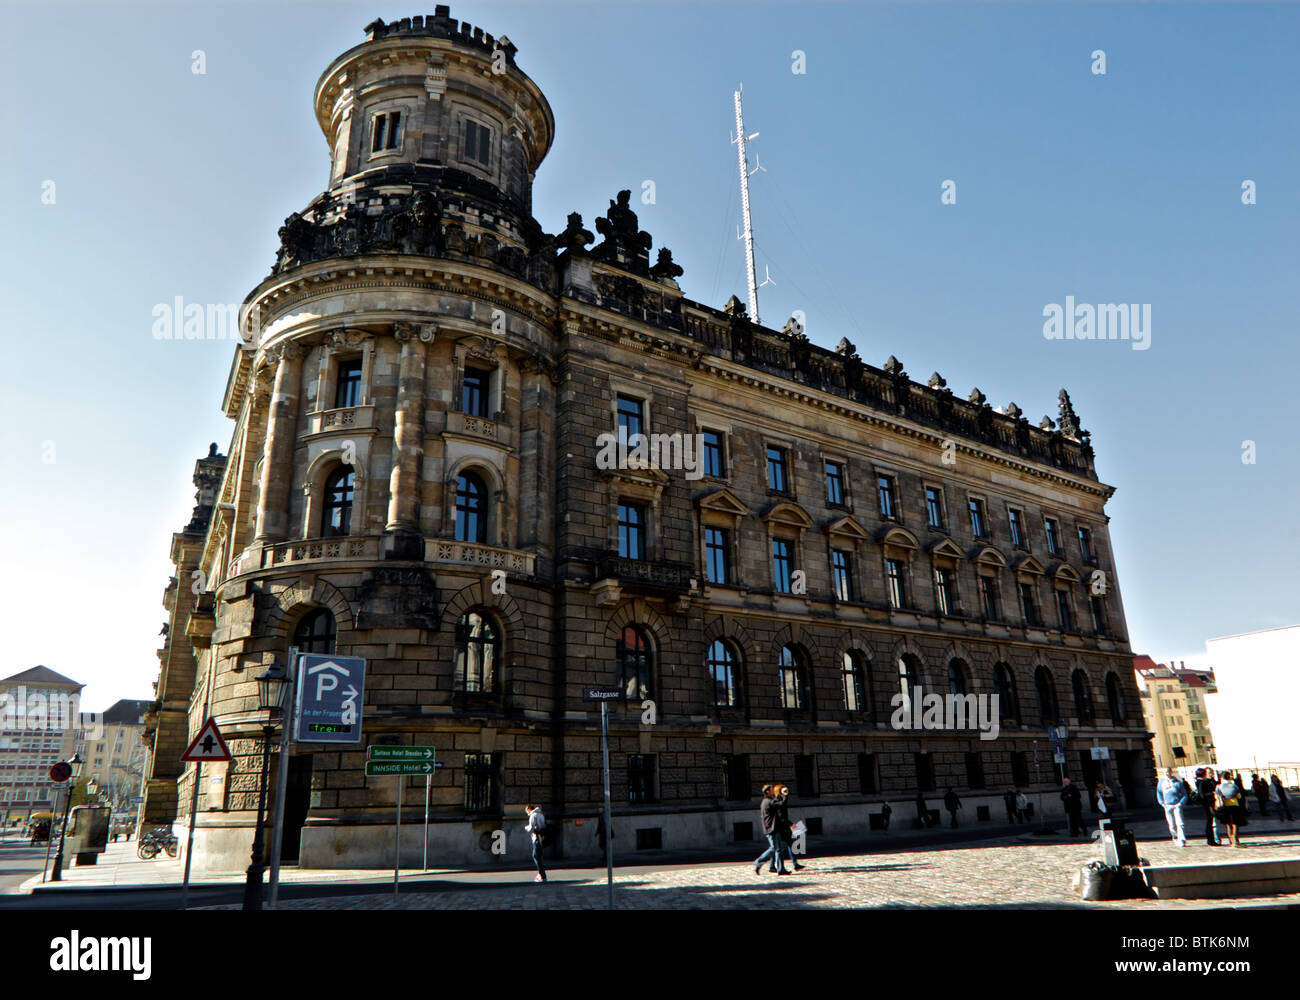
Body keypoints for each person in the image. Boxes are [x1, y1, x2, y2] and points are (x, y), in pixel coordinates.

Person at [754, 784, 791, 875]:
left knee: (778, 849)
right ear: (767, 791)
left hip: (773, 828)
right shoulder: (768, 801)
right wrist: (785, 795)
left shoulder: (766, 801)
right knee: (775, 848)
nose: (773, 791)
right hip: (772, 829)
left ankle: (781, 869)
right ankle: (759, 860)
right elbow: (781, 805)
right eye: (771, 789)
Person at [773, 786, 805, 871]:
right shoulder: (776, 801)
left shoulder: (781, 800)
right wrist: (790, 824)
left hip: (784, 826)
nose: (785, 791)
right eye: (782, 790)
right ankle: (771, 866)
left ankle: (795, 864)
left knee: (789, 845)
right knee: (776, 848)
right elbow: (781, 815)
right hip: (780, 828)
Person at [1156, 768, 1187, 847]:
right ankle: (1175, 836)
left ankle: (1182, 839)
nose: (1167, 773)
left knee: (1180, 823)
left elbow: (1184, 794)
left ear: (1171, 772)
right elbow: (1159, 793)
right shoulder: (1161, 783)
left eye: (1168, 772)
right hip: (1167, 805)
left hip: (1177, 804)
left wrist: (1180, 803)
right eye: (1166, 772)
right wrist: (1162, 803)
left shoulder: (1177, 782)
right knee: (1171, 824)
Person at [1214, 772, 1245, 847]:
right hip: (1234, 805)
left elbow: (1216, 797)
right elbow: (1239, 796)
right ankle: (1235, 841)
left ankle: (1231, 841)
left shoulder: (1219, 786)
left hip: (1224, 806)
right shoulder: (1234, 786)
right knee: (1235, 824)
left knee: (1228, 824)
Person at [1195, 768, 1220, 846]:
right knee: (1210, 822)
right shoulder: (1201, 783)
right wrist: (1212, 793)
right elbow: (1203, 795)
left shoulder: (1206, 781)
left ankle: (1212, 839)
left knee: (1211, 821)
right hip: (1207, 804)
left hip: (1209, 803)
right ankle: (1211, 840)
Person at [524, 804, 547, 882]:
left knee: (536, 856)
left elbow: (532, 827)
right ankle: (542, 874)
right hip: (542, 836)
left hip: (536, 837)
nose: (527, 813)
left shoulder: (533, 816)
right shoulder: (541, 815)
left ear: (529, 809)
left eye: (527, 811)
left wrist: (526, 828)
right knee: (539, 856)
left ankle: (542, 875)